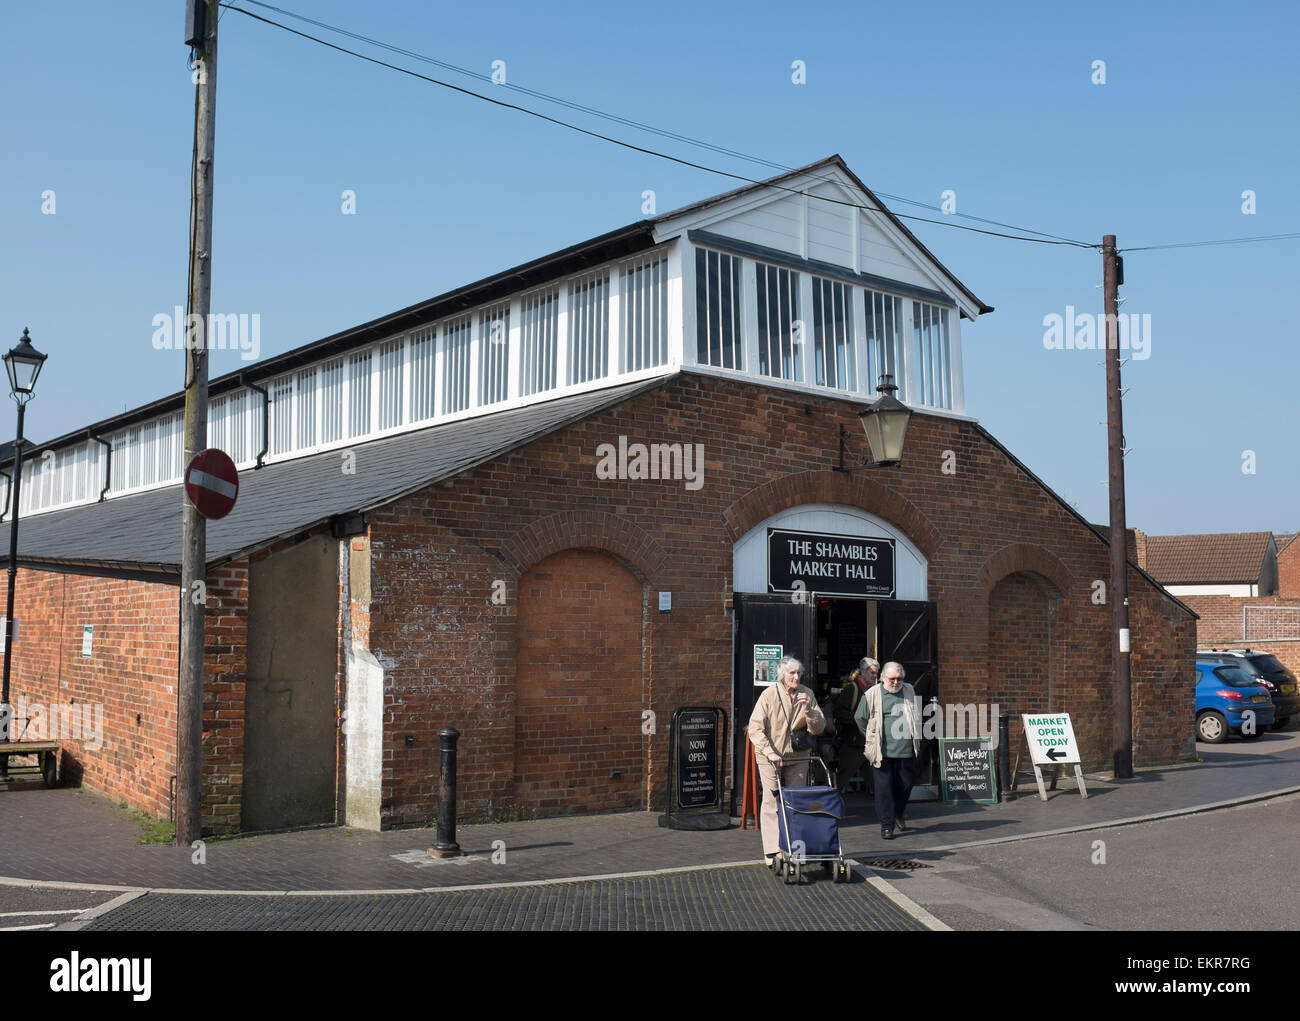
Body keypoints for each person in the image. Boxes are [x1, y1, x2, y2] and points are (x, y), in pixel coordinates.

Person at [748, 655, 826, 866]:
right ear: (782, 675)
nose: (796, 677)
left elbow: (819, 728)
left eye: (799, 673)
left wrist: (809, 710)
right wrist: (769, 751)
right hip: (769, 755)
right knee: (772, 801)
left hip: (798, 755)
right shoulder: (769, 695)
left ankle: (794, 847)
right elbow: (754, 728)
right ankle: (772, 852)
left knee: (795, 802)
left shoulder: (807, 694)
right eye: (792, 673)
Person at [853, 661, 921, 840]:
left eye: (899, 678)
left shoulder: (909, 690)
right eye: (892, 679)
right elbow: (860, 717)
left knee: (906, 784)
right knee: (884, 791)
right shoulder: (871, 694)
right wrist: (871, 735)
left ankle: (898, 813)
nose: (896, 682)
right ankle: (886, 825)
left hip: (905, 749)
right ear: (883, 678)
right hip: (882, 751)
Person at [832, 657, 878, 793]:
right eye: (872, 673)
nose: (875, 676)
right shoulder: (852, 689)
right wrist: (858, 722)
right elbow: (839, 712)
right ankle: (829, 808)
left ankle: (888, 811)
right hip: (853, 743)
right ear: (863, 673)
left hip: (869, 743)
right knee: (840, 780)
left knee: (878, 781)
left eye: (877, 673)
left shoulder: (876, 691)